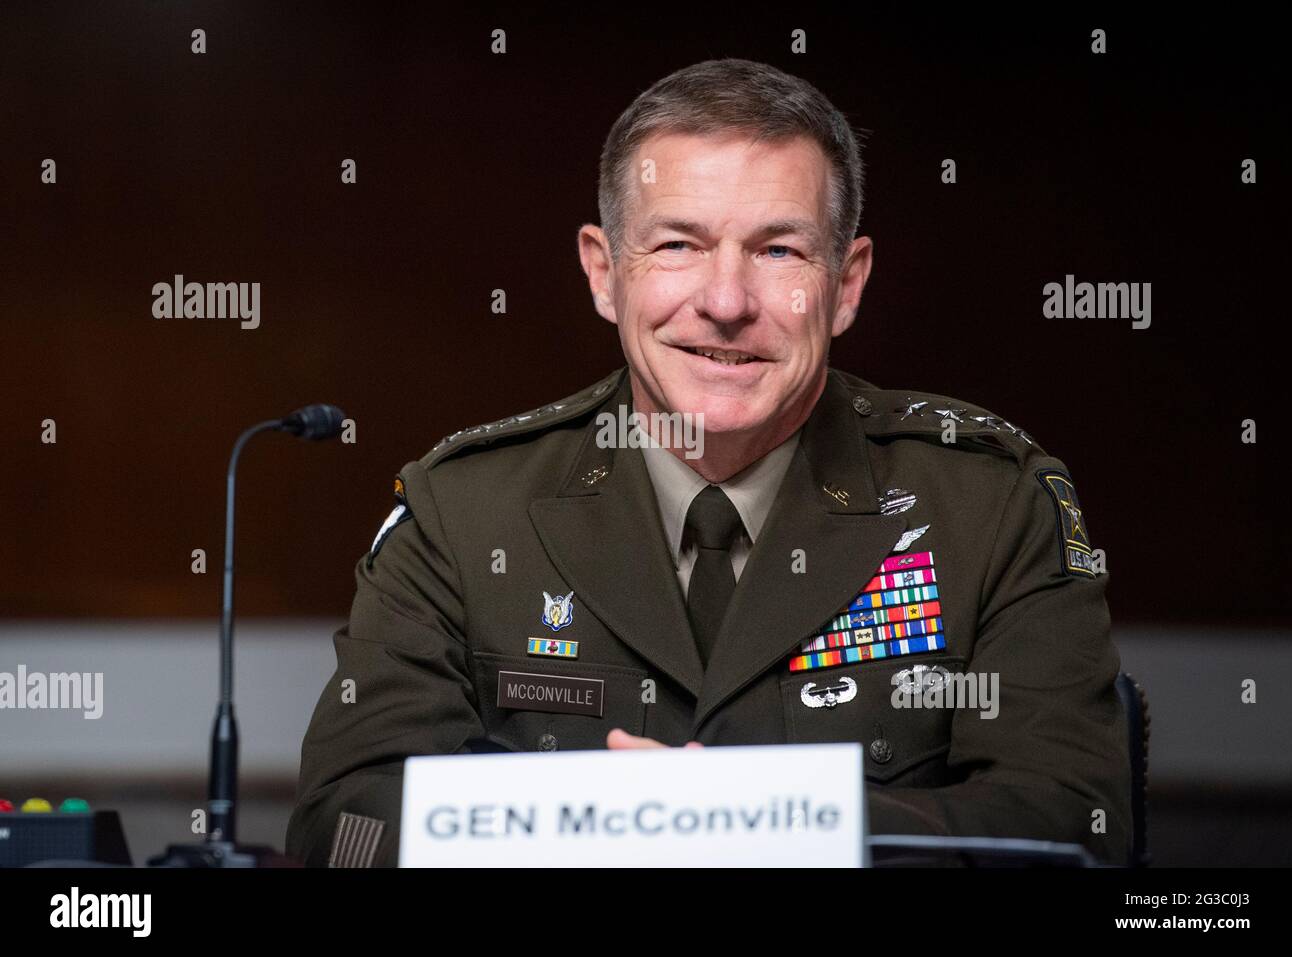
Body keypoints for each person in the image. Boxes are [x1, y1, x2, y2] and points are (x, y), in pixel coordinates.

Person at [287, 58, 1131, 867]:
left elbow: (1071, 826)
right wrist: (600, 831)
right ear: (604, 272)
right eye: (679, 245)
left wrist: (751, 824)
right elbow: (345, 824)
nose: (726, 303)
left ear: (846, 285)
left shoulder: (988, 505)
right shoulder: (464, 513)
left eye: (778, 251)